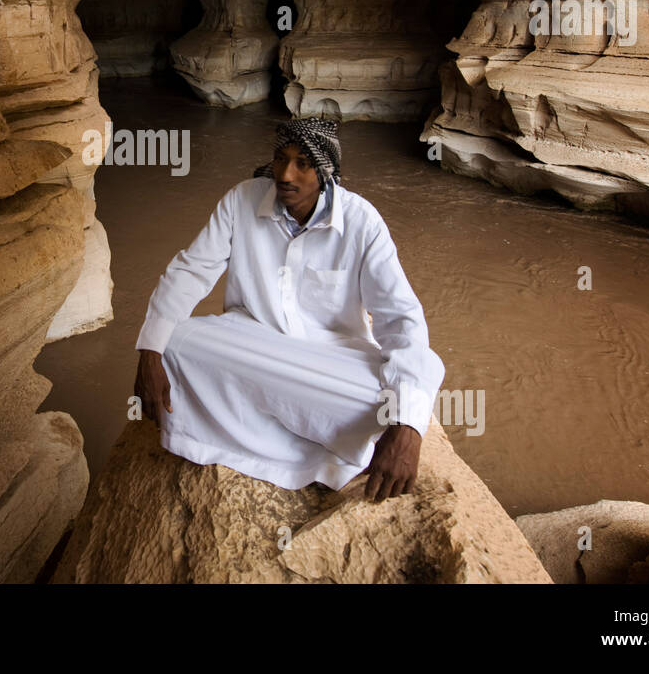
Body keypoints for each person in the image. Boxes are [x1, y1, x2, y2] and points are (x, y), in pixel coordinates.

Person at [133, 116, 445, 501]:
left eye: (303, 163)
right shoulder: (241, 199)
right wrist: (150, 350)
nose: (285, 174)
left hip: (330, 363)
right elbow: (191, 271)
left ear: (326, 172)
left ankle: (260, 431)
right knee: (175, 342)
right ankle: (284, 439)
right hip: (252, 339)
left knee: (382, 402)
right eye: (281, 159)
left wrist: (408, 427)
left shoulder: (363, 222)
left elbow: (401, 321)